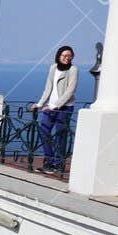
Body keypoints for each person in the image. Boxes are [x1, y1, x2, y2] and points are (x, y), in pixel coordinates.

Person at [29, 45, 78, 173]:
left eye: (69, 56)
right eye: (64, 56)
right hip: (50, 107)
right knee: (44, 131)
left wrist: (53, 106)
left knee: (60, 136)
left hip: (65, 108)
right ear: (58, 56)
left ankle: (58, 164)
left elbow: (70, 91)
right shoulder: (53, 68)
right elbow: (48, 88)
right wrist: (40, 104)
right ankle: (50, 163)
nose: (67, 58)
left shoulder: (73, 70)